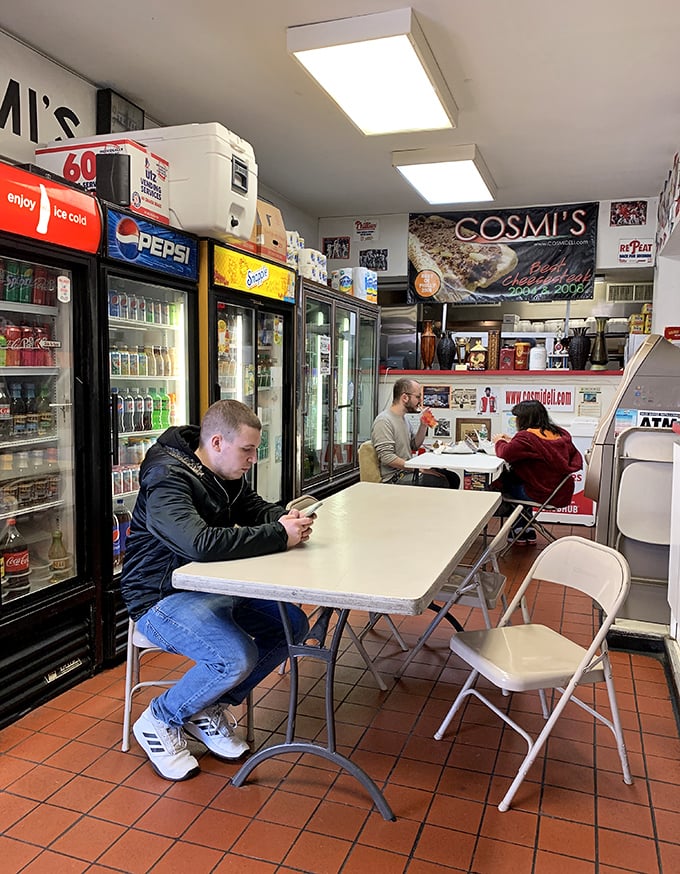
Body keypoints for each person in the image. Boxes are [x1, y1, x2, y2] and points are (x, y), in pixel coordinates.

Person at [121, 400, 313, 781]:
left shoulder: (223, 470)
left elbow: (254, 508)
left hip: (212, 588)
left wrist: (284, 519)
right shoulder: (166, 477)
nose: (253, 459)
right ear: (217, 442)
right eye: (247, 450)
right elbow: (199, 544)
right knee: (235, 655)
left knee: (291, 626)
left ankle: (206, 706)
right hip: (158, 597)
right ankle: (160, 718)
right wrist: (279, 535)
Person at [491, 399, 582, 544]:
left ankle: (518, 529)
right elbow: (536, 448)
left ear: (524, 419)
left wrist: (499, 441)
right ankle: (525, 529)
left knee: (504, 485)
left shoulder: (526, 437)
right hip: (559, 492)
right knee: (523, 482)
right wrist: (512, 440)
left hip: (539, 493)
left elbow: (505, 453)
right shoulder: (559, 433)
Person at [371, 377, 459, 488]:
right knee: (441, 481)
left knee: (453, 478)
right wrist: (418, 468)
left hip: (408, 470)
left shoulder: (404, 418)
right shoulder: (384, 421)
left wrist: (423, 425)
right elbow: (387, 457)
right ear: (405, 397)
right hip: (395, 477)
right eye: (417, 397)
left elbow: (414, 446)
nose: (420, 401)